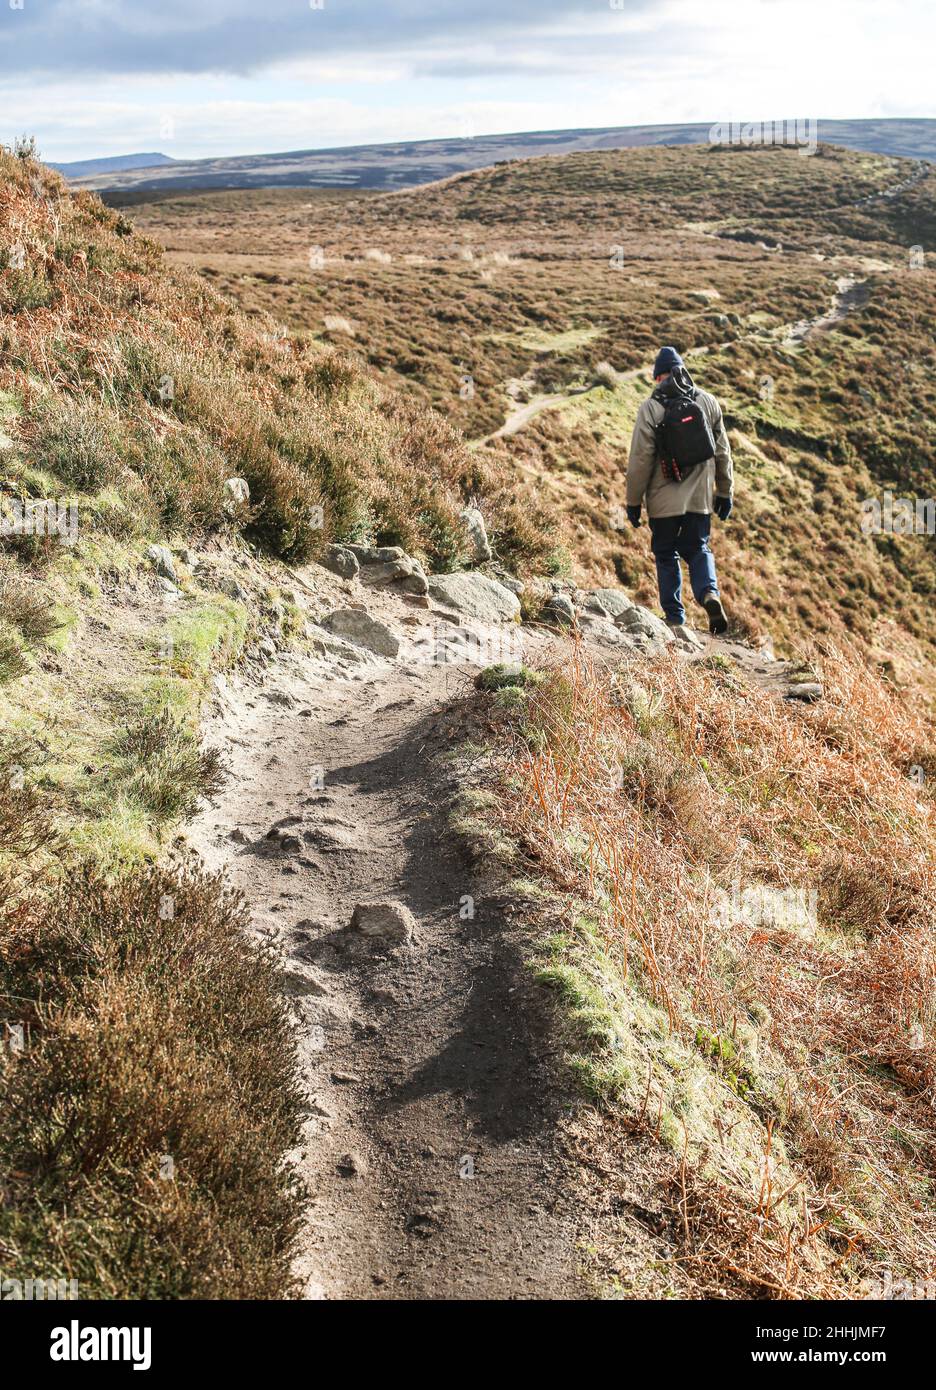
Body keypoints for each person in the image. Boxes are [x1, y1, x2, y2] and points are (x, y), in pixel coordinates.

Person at [625, 346, 733, 635]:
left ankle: (674, 617)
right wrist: (724, 491)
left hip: (663, 502)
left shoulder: (651, 407)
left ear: (658, 376)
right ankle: (709, 594)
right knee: (698, 548)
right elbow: (723, 452)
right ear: (682, 370)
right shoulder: (708, 402)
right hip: (700, 500)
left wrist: (633, 502)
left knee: (665, 554)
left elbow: (640, 459)